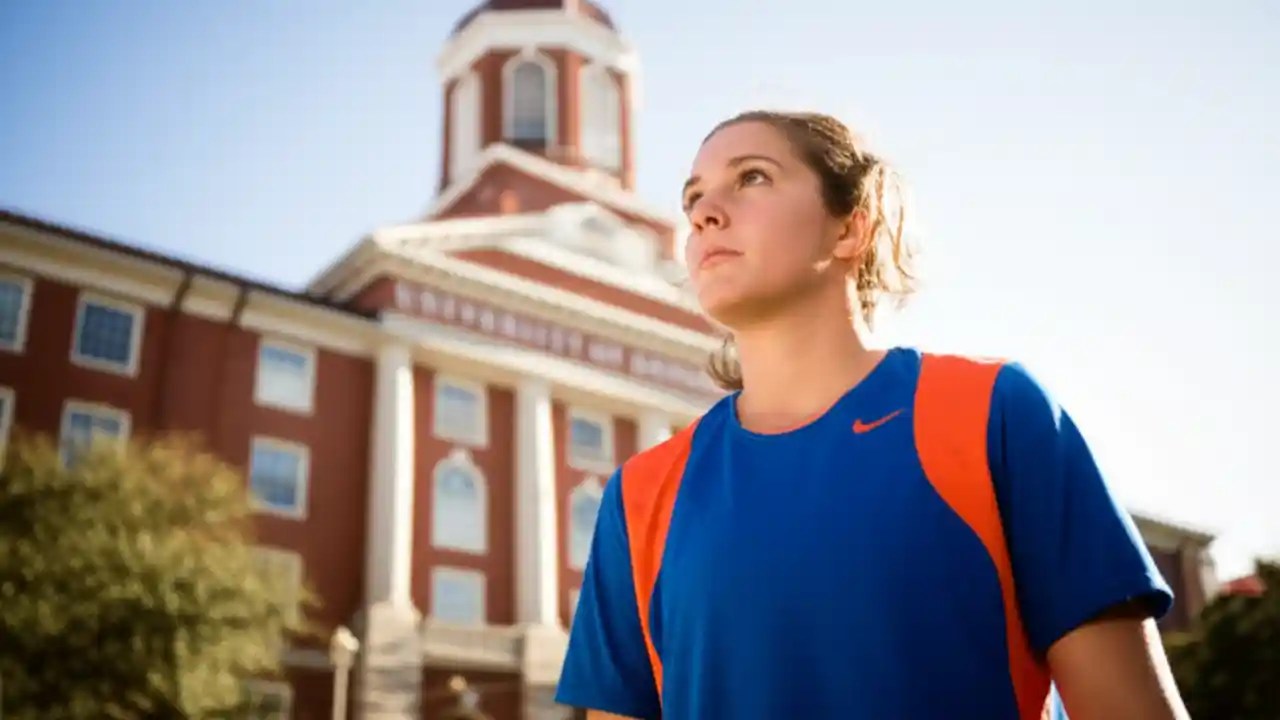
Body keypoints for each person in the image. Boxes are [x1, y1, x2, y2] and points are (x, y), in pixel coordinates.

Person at [554, 110, 1189, 719]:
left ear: (850, 227)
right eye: (694, 200)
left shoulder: (993, 413)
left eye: (752, 177)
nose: (704, 215)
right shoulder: (640, 495)